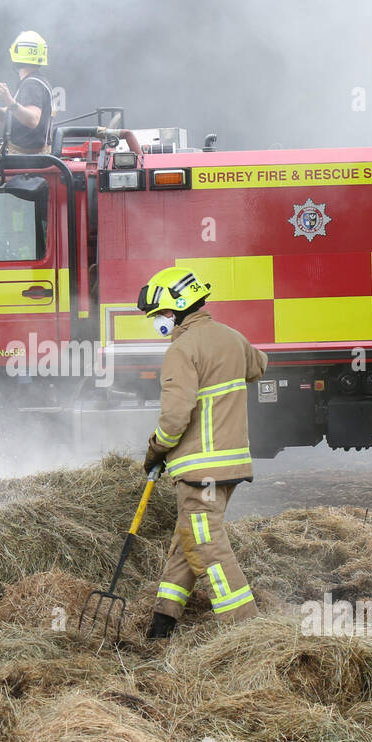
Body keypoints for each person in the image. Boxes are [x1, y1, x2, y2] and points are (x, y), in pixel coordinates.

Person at [138, 266, 268, 639]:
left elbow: (175, 417)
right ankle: (162, 621)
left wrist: (156, 450)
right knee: (188, 538)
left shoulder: (181, 349)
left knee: (205, 545)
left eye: (160, 315)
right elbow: (259, 365)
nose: (158, 323)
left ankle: (248, 629)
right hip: (230, 466)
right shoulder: (232, 338)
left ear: (177, 309)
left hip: (201, 470)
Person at [0, 30, 53, 155]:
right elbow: (20, 118)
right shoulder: (36, 81)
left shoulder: (31, 85)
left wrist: (8, 101)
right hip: (30, 159)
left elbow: (32, 120)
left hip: (25, 161)